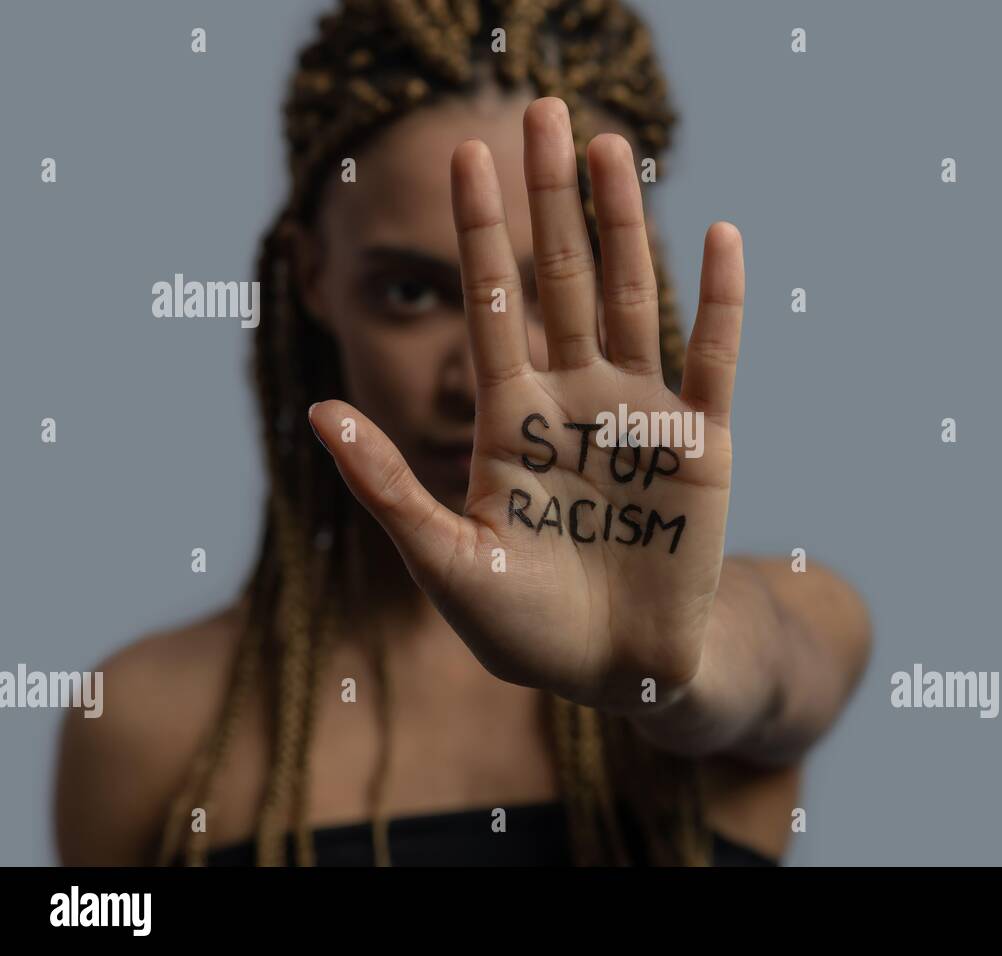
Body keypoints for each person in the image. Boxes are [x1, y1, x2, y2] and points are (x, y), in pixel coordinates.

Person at [54, 0, 872, 867]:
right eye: (410, 293)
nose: (486, 385)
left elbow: (776, 668)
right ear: (312, 277)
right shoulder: (142, 724)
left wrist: (670, 665)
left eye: (556, 284)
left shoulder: (799, 615)